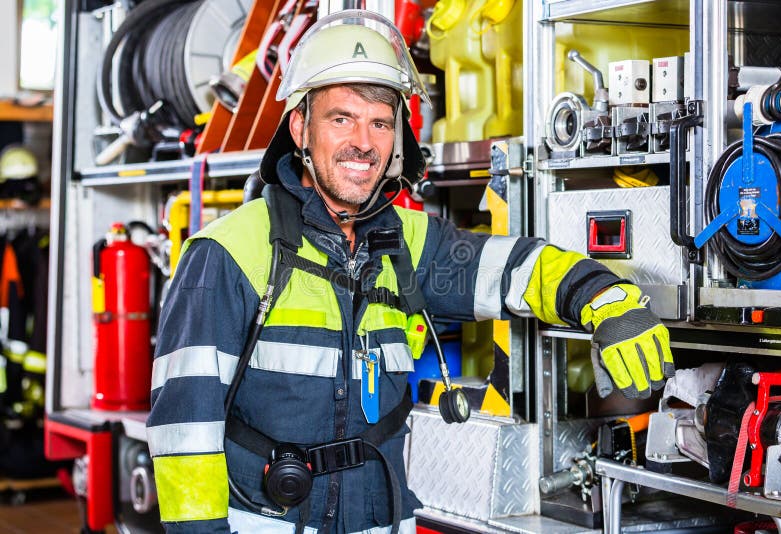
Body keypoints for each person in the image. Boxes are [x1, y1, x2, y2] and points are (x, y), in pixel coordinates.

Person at [146, 10, 673, 534]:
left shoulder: (410, 243)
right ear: (300, 127)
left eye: (380, 122)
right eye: (341, 119)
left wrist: (607, 301)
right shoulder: (224, 254)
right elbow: (182, 434)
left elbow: (520, 267)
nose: (364, 142)